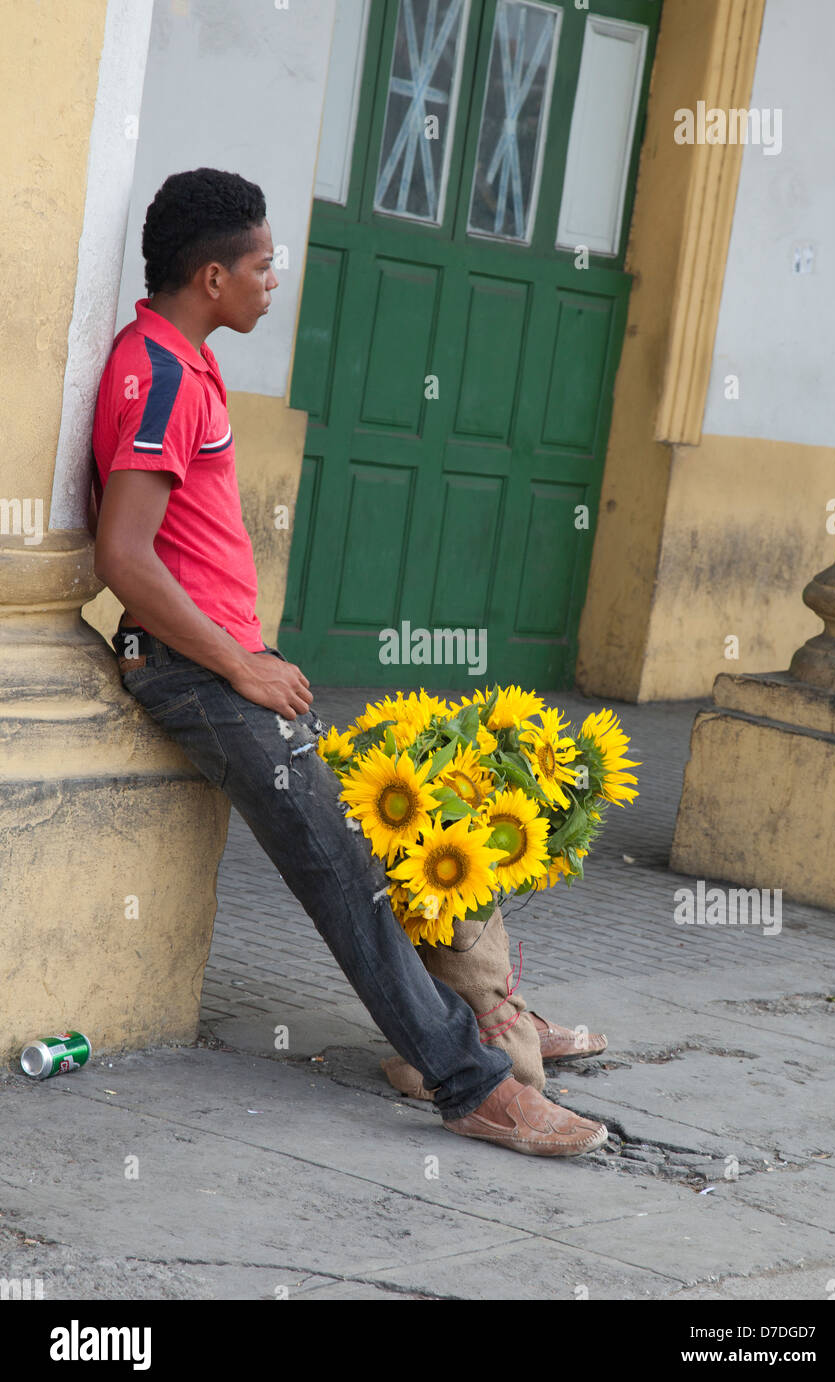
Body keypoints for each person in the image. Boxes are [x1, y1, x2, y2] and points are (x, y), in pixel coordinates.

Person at [90, 167, 608, 1159]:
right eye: (261, 265)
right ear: (209, 277)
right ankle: (470, 1082)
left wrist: (249, 656)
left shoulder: (178, 359)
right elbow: (124, 555)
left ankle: (487, 1019)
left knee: (372, 852)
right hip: (192, 670)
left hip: (221, 660)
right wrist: (240, 666)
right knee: (347, 881)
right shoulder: (153, 371)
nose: (273, 280)